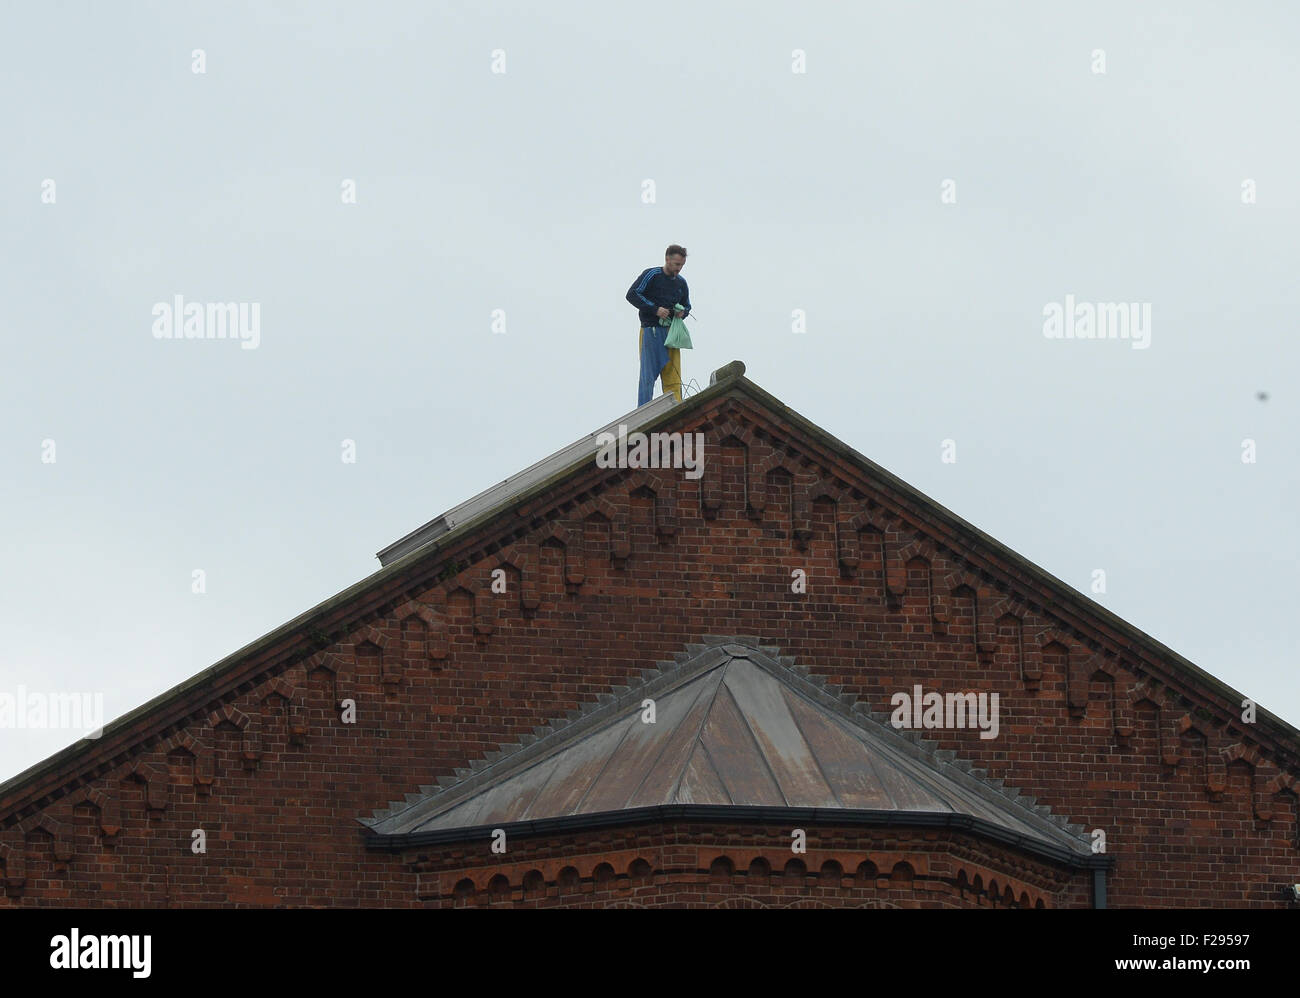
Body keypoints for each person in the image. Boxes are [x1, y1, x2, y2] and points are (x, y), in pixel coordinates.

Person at [626, 245, 692, 406]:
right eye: (677, 264)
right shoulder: (652, 275)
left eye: (682, 265)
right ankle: (643, 411)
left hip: (672, 333)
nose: (679, 269)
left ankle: (676, 409)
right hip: (651, 330)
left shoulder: (681, 283)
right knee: (648, 375)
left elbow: (687, 306)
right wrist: (655, 310)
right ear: (667, 259)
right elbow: (632, 294)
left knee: (673, 376)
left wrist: (682, 313)